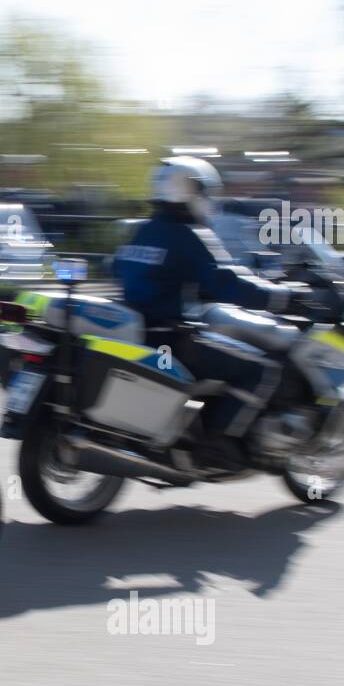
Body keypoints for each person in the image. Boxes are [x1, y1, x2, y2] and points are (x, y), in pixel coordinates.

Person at [113, 156, 291, 461]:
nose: (209, 201)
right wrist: (281, 297)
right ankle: (218, 444)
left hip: (138, 338)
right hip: (171, 343)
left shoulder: (141, 231)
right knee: (260, 369)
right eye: (205, 193)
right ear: (189, 191)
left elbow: (117, 268)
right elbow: (227, 284)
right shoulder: (190, 236)